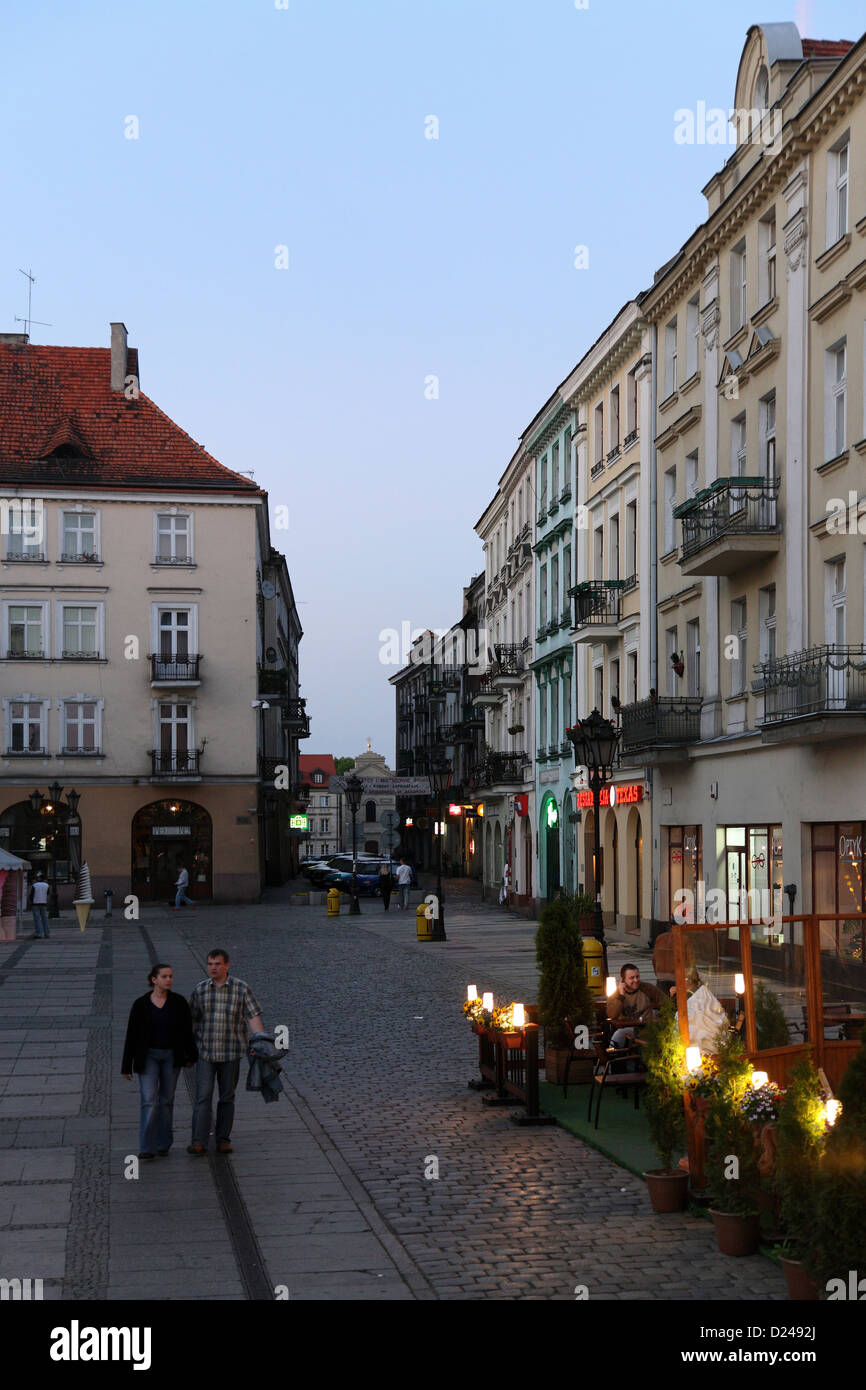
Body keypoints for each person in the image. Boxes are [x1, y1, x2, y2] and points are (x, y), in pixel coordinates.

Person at [188, 949, 264, 1155]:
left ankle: (223, 1139)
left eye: (218, 964)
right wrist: (187, 1049)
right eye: (210, 964)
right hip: (206, 1053)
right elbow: (193, 1022)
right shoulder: (200, 990)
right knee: (203, 1097)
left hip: (231, 1053)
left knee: (227, 1097)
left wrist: (259, 1043)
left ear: (227, 965)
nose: (213, 967)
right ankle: (198, 1141)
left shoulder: (241, 988)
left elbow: (253, 1017)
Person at [121, 963, 197, 1160]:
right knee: (148, 1100)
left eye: (170, 976)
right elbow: (132, 1035)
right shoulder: (140, 1004)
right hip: (148, 1057)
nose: (169, 980)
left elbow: (187, 1032)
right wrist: (126, 1065)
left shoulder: (179, 1003)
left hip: (171, 1056)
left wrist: (191, 1056)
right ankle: (146, 1146)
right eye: (164, 976)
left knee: (166, 1101)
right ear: (154, 980)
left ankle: (163, 1143)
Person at [606, 963, 667, 1050]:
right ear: (623, 980)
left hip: (646, 1028)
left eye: (637, 976)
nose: (636, 980)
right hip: (626, 1029)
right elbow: (612, 1014)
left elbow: (666, 1003)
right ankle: (613, 1059)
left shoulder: (647, 988)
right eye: (631, 978)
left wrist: (660, 1018)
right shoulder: (617, 994)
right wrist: (621, 996)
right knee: (619, 1035)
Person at [652, 922, 696, 998]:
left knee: (663, 1003)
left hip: (661, 976)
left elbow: (654, 959)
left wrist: (657, 973)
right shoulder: (684, 939)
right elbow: (690, 960)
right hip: (678, 977)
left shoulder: (660, 938)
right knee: (680, 1004)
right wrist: (692, 978)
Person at [30, 871, 50, 939]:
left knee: (37, 919)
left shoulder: (34, 885)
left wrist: (31, 902)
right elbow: (47, 893)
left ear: (38, 878)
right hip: (43, 903)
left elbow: (31, 895)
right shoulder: (47, 885)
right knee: (45, 919)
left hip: (35, 903)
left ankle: (39, 934)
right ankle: (47, 934)